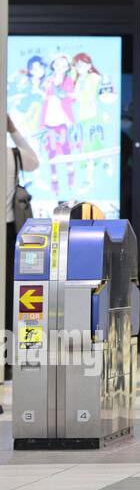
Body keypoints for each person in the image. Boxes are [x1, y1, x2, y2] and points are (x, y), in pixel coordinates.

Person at [5, 114, 39, 386]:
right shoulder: (12, 156)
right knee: (8, 299)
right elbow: (34, 161)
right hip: (9, 233)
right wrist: (13, 129)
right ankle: (7, 362)